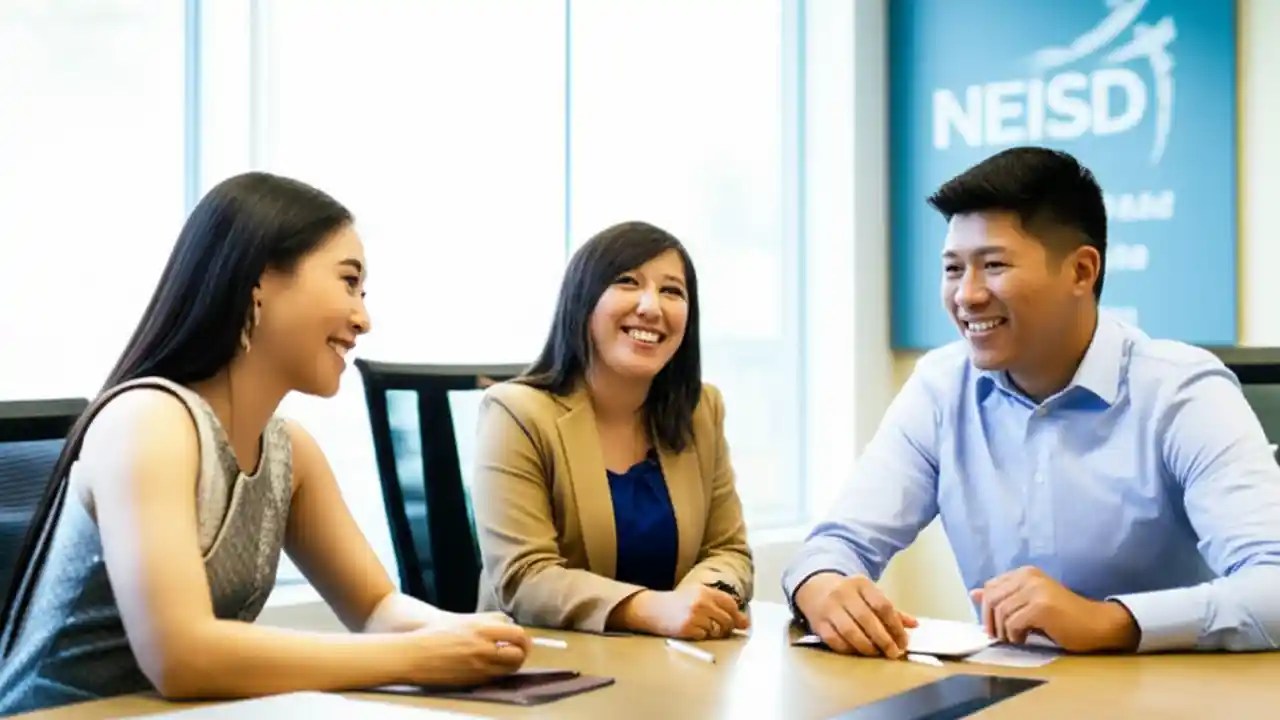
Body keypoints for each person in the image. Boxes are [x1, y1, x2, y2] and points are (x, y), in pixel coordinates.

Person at [0, 172, 530, 714]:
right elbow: (181, 655)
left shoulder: (290, 453)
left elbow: (375, 607)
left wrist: (471, 634)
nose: (363, 318)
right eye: (349, 282)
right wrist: (416, 658)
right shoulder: (148, 420)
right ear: (260, 280)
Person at [784, 147, 1280, 658]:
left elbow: (1275, 584)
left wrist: (1111, 621)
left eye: (994, 265)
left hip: (1165, 697)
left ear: (1081, 272)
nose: (967, 295)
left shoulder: (1182, 392)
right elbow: (837, 542)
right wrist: (822, 583)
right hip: (1008, 695)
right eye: (953, 269)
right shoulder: (940, 387)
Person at [471, 221, 753, 639]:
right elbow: (525, 577)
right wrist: (651, 609)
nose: (651, 307)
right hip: (543, 670)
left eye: (672, 290)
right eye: (627, 282)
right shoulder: (516, 413)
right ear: (583, 301)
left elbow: (728, 551)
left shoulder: (700, 411)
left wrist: (699, 597)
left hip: (672, 666)